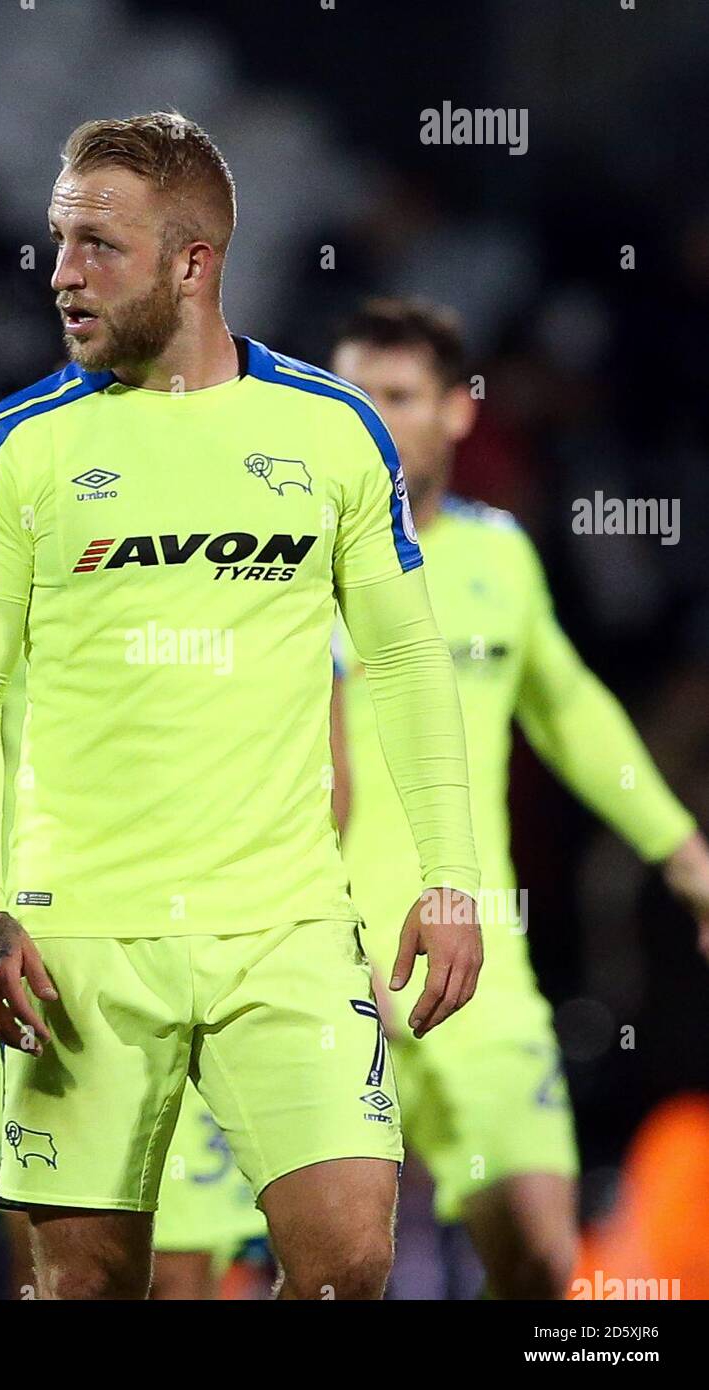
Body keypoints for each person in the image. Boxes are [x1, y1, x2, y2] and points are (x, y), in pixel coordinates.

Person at [0, 113, 482, 1301]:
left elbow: (407, 660)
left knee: (350, 1262)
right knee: (87, 1285)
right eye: (58, 242)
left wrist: (450, 874)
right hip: (80, 933)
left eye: (98, 247)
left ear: (192, 262)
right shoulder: (13, 449)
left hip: (282, 925)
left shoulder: (331, 431)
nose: (63, 275)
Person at [329, 296, 709, 1298]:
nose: (367, 420)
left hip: (479, 965)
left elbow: (569, 709)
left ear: (459, 411)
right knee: (328, 1270)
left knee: (541, 1258)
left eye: (396, 396)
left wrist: (680, 850)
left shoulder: (499, 555)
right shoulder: (287, 568)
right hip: (319, 973)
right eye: (348, 396)